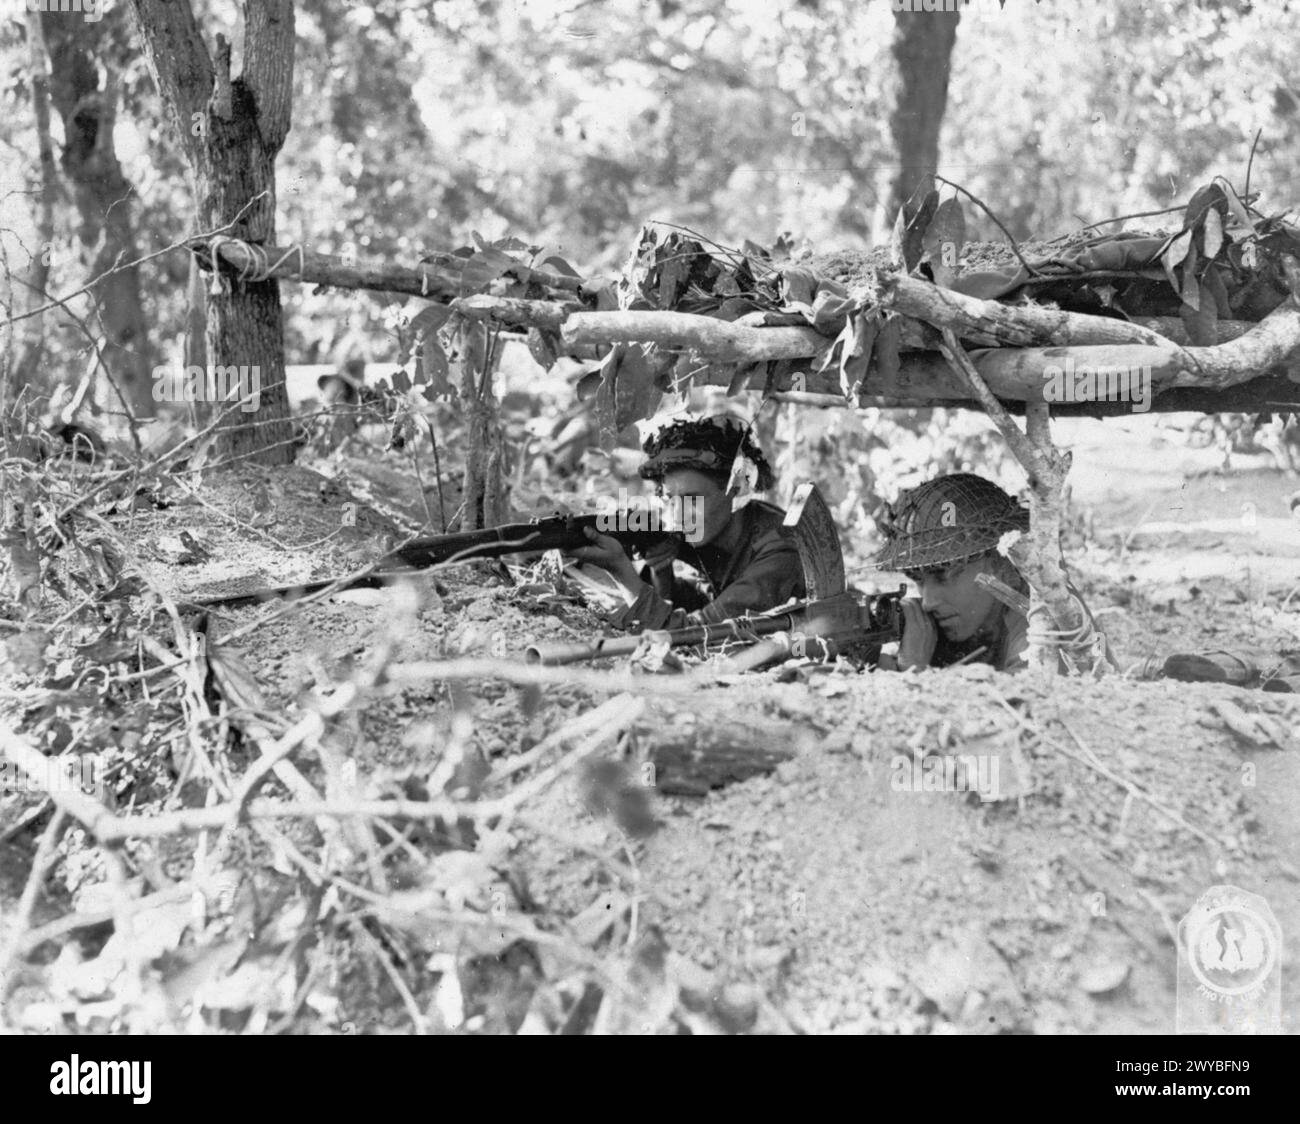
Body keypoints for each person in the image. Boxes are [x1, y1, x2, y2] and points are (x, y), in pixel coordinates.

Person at [569, 416, 806, 630]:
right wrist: (661, 567)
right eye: (670, 499)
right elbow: (702, 600)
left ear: (735, 491)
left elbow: (695, 636)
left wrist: (621, 571)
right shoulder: (719, 532)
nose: (679, 515)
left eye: (693, 500)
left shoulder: (780, 551)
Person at [872, 473, 1032, 672]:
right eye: (918, 580)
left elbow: (1024, 698)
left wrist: (915, 671)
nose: (927, 603)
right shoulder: (965, 624)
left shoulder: (1038, 624)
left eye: (943, 576)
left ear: (1000, 563)